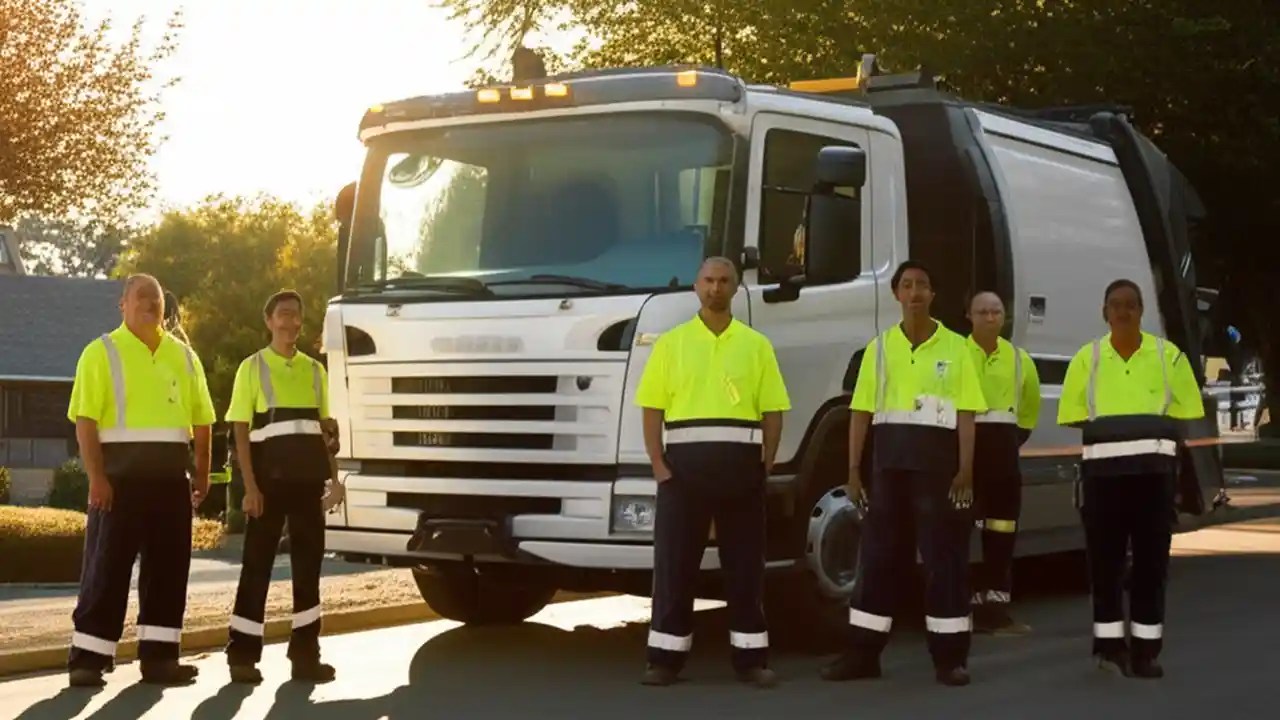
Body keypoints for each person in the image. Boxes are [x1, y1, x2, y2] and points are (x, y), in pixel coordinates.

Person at [822, 260, 986, 687]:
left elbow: (967, 413)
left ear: (933, 295)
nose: (915, 293)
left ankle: (950, 659)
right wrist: (854, 472)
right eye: (907, 285)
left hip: (939, 471)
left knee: (943, 562)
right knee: (877, 561)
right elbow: (860, 413)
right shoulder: (878, 349)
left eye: (923, 286)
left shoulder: (957, 348)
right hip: (889, 471)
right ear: (896, 294)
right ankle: (863, 654)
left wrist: (966, 469)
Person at [635, 257, 790, 688]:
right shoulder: (672, 344)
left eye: (724, 281)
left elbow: (773, 411)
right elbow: (652, 408)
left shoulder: (756, 345)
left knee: (745, 568)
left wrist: (766, 463)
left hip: (742, 476)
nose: (716, 288)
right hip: (683, 476)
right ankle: (664, 660)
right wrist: (658, 465)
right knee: (675, 567)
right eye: (708, 281)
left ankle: (751, 659)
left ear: (736, 289)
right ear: (696, 288)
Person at [65, 273, 215, 687]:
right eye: (140, 297)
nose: (150, 304)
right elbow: (85, 422)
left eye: (156, 299)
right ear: (123, 305)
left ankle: (160, 659)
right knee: (106, 569)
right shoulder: (101, 353)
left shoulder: (184, 357)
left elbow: (202, 421)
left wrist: (201, 473)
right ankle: (88, 660)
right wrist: (96, 478)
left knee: (169, 570)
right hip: (118, 481)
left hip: (170, 481)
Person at [1058, 279, 1204, 679]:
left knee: (1151, 567)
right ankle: (1109, 648)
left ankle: (1146, 651)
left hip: (1154, 482)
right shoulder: (1086, 360)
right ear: (1104, 312)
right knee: (1104, 567)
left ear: (1142, 311)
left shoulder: (1167, 357)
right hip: (1103, 483)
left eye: (1131, 305)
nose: (1123, 312)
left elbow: (1186, 412)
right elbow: (1071, 413)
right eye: (1115, 305)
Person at [223, 290, 345, 684]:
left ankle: (305, 655)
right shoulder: (252, 368)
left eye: (297, 316)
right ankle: (242, 655)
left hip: (308, 486)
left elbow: (326, 431)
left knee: (308, 571)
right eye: (284, 315)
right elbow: (240, 432)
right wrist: (249, 487)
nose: (291, 322)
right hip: (268, 487)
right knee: (256, 567)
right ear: (269, 320)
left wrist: (335, 480)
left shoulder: (315, 371)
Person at [965, 291, 1040, 635]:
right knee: (960, 531)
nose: (990, 317)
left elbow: (1028, 410)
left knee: (1002, 530)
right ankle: (959, 608)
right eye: (982, 311)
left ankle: (996, 611)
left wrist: (1008, 442)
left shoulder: (1020, 360)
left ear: (1004, 317)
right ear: (970, 316)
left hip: (1003, 453)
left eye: (996, 311)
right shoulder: (956, 355)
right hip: (964, 452)